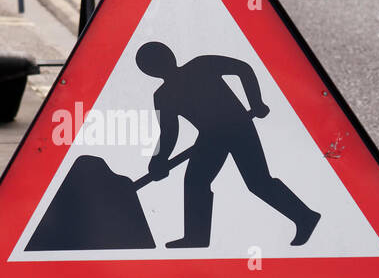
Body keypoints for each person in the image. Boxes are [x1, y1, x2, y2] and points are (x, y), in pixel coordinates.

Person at [135, 42, 320, 249]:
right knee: (196, 182)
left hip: (237, 126)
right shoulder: (163, 95)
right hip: (211, 136)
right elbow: (169, 131)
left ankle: (305, 217)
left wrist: (256, 102)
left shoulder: (200, 65)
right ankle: (196, 237)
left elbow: (243, 69)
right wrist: (158, 160)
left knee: (258, 181)